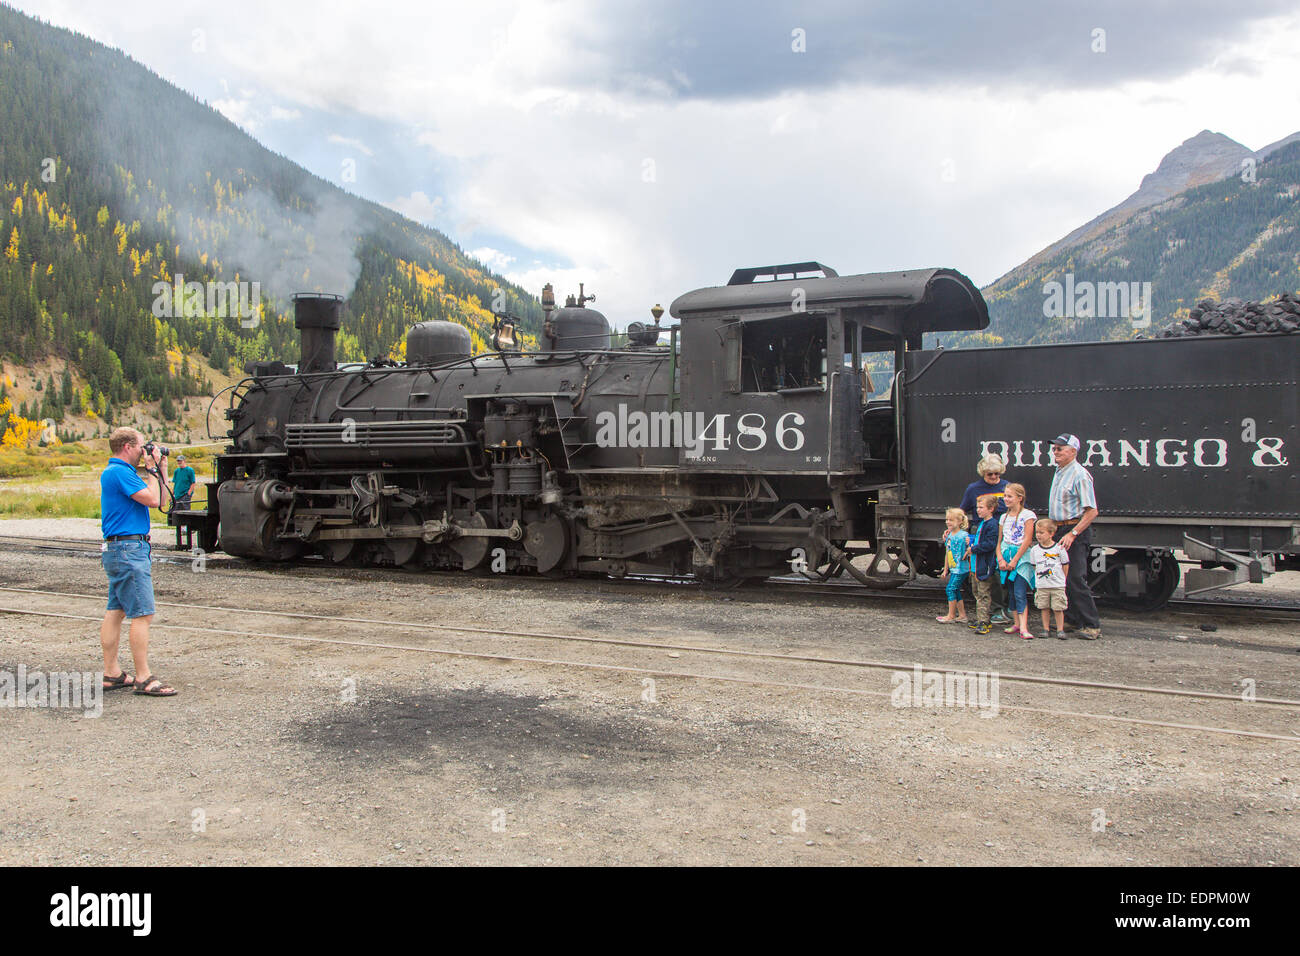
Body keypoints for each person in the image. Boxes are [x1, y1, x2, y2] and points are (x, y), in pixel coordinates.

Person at [99, 426, 177, 697]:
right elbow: (154, 499)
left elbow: (163, 499)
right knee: (143, 614)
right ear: (127, 447)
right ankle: (144, 677)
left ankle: (112, 673)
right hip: (128, 550)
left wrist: (160, 470)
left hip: (122, 548)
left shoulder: (120, 473)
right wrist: (151, 471)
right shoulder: (120, 472)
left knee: (116, 611)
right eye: (141, 447)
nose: (144, 451)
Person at [1047, 433, 1102, 639]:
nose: (1056, 451)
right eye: (1055, 448)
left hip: (1074, 530)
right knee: (1064, 577)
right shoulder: (1060, 471)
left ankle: (1092, 624)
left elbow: (1092, 511)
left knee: (1076, 577)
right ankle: (1071, 619)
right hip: (1060, 529)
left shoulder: (1080, 474)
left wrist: (1073, 533)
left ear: (1073, 451)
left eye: (1060, 448)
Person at [959, 455, 1011, 625]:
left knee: (997, 572)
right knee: (980, 572)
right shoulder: (973, 489)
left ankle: (999, 608)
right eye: (990, 474)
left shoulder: (1006, 487)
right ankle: (986, 611)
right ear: (983, 473)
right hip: (980, 530)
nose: (994, 477)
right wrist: (955, 530)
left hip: (1001, 530)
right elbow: (962, 511)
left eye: (997, 474)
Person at [997, 483, 1037, 639]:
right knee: (1012, 592)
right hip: (1006, 556)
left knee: (1020, 591)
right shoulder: (1003, 517)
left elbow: (1027, 540)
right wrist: (1000, 558)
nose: (1006, 499)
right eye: (1005, 496)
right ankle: (1016, 623)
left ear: (1020, 498)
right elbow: (999, 541)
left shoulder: (1028, 515)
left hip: (1021, 557)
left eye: (1009, 496)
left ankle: (1024, 626)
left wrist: (1015, 560)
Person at [1031, 519, 1069, 639]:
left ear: (1051, 533)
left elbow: (1065, 564)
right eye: (1037, 532)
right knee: (1044, 607)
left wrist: (1063, 579)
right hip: (1042, 584)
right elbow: (1034, 566)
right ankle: (1045, 629)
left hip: (1057, 584)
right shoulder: (1034, 550)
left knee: (1058, 608)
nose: (1038, 535)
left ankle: (1060, 629)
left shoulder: (1059, 548)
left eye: (1041, 533)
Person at [967, 494, 1000, 635]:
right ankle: (982, 618)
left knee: (983, 594)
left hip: (984, 565)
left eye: (981, 507)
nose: (978, 510)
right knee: (976, 592)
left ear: (991, 509)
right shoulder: (982, 523)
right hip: (975, 565)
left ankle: (983, 621)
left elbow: (990, 544)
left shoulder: (992, 524)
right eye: (977, 507)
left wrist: (974, 548)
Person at [936, 508, 971, 624]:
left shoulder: (963, 536)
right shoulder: (950, 535)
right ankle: (962, 615)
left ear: (960, 521)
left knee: (950, 589)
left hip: (961, 569)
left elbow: (968, 551)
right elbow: (948, 552)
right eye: (947, 519)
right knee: (955, 590)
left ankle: (951, 615)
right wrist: (946, 570)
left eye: (951, 520)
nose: (947, 522)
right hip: (955, 568)